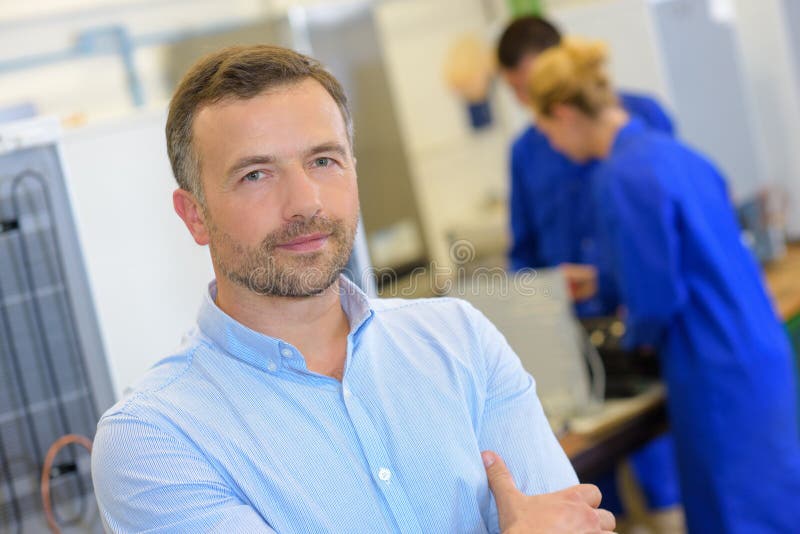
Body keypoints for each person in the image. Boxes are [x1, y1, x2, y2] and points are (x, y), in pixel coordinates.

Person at [90, 45, 616, 533]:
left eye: (323, 161)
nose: (305, 202)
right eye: (255, 174)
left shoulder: (459, 340)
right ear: (194, 215)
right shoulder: (156, 440)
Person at [527, 36, 800, 533]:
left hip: (712, 371)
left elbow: (655, 301)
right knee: (777, 509)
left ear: (563, 112)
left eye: (545, 129)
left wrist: (628, 348)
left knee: (734, 518)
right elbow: (693, 259)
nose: (551, 145)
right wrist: (603, 281)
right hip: (760, 358)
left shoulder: (620, 177)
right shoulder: (677, 155)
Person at [497, 15, 682, 523]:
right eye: (515, 91)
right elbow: (524, 250)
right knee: (590, 482)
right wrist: (548, 288)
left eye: (533, 86)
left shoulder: (636, 125)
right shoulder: (524, 152)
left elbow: (666, 229)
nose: (527, 104)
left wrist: (613, 277)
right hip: (572, 335)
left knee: (663, 466)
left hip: (644, 325)